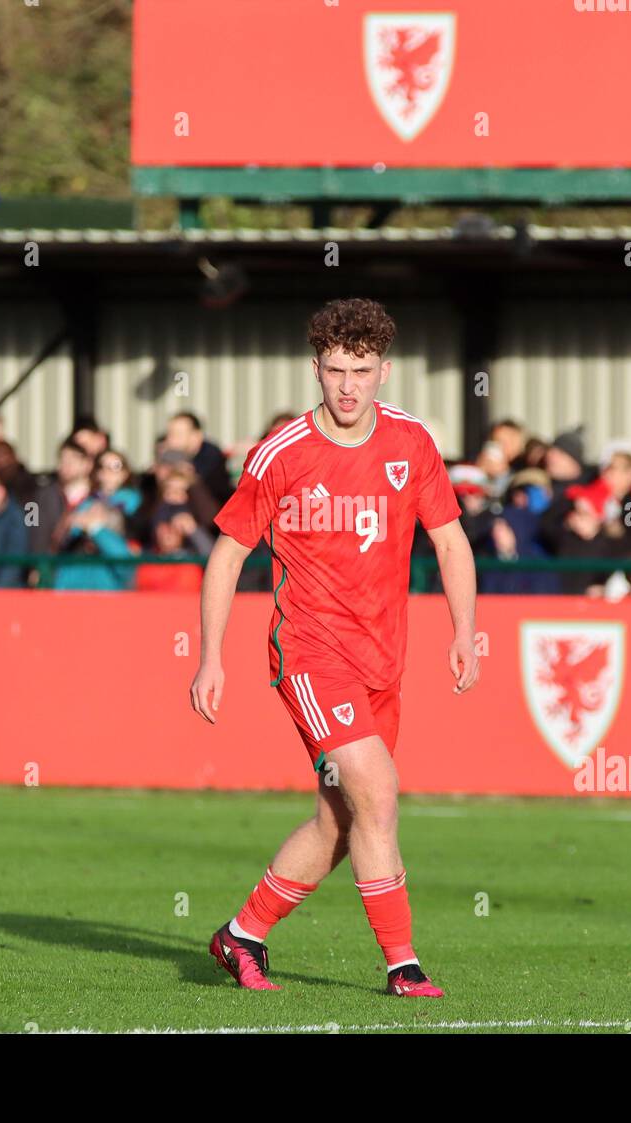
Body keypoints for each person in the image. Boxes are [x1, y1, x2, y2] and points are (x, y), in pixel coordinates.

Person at [189, 297, 479, 998]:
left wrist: (465, 630)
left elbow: (449, 540)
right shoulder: (282, 453)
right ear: (314, 369)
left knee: (343, 821)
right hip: (311, 653)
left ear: (385, 371)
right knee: (379, 792)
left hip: (385, 659)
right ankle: (403, 963)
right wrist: (210, 655)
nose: (348, 384)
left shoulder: (411, 443)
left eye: (363, 368)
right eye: (335, 369)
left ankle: (242, 934)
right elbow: (227, 553)